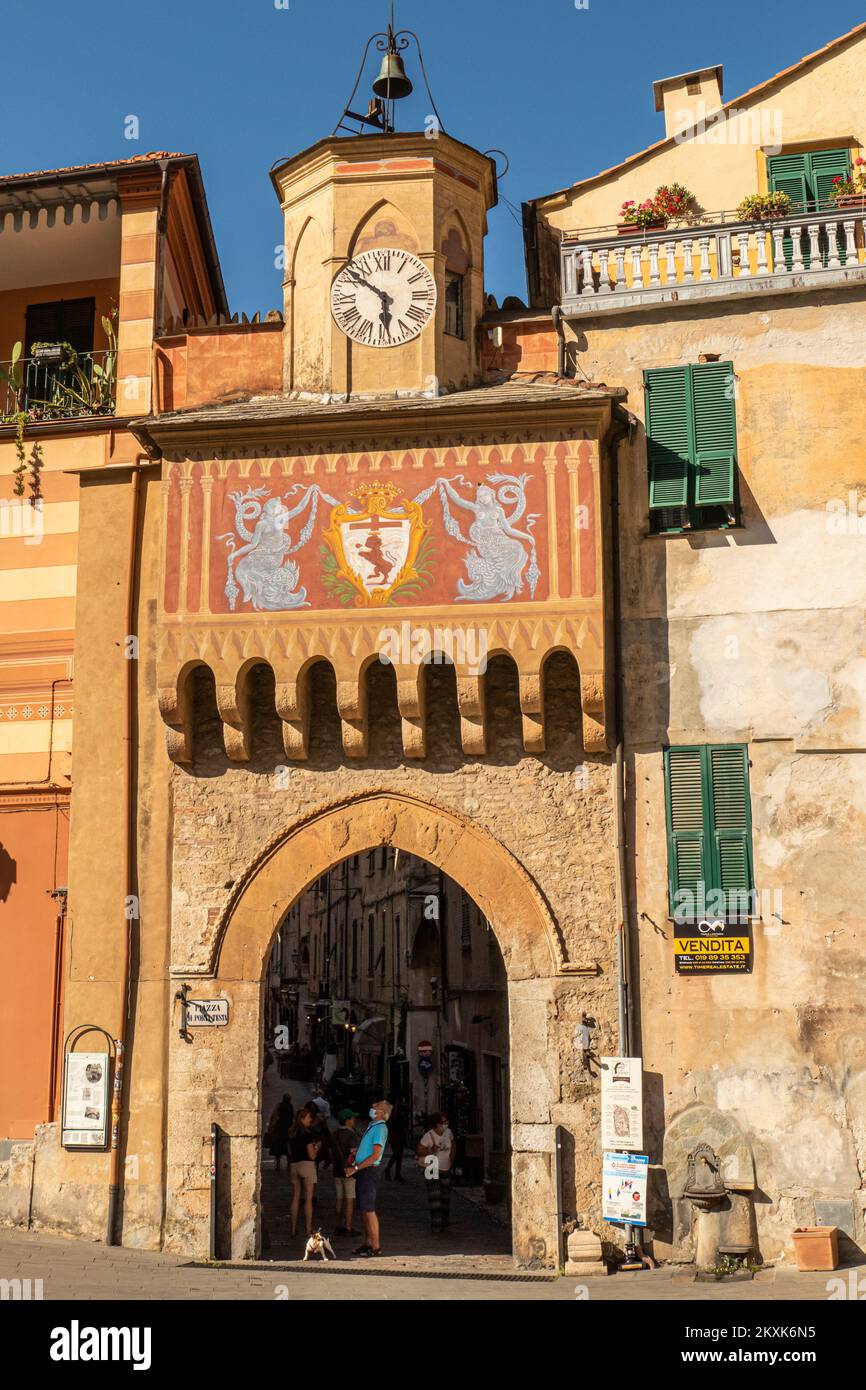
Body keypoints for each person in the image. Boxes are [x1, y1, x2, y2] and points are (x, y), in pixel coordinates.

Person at [345, 1097, 392, 1257]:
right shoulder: (373, 1126)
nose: (372, 1107)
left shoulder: (380, 1128)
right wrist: (357, 1152)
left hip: (369, 1171)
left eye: (377, 1106)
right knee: (364, 1209)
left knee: (369, 1209)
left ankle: (376, 1246)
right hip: (364, 1171)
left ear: (382, 1112)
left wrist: (355, 1168)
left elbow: (376, 1155)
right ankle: (368, 1242)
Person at [416, 1112, 456, 1233]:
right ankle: (436, 1225)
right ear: (436, 1124)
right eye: (442, 1122)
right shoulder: (428, 1136)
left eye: (446, 1122)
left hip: (445, 1167)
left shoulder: (448, 1132)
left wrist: (451, 1160)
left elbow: (453, 1144)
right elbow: (419, 1151)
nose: (444, 1124)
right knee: (435, 1198)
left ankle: (445, 1224)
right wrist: (429, 1150)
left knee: (445, 1198)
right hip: (432, 1167)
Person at [289, 1109, 321, 1239]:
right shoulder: (307, 1135)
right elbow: (312, 1155)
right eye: (308, 1117)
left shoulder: (291, 1134)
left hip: (294, 1165)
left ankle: (293, 1228)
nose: (310, 1120)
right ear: (302, 1119)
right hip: (307, 1165)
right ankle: (308, 1228)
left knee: (295, 1197)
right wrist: (317, 1147)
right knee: (308, 1199)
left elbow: (289, 1152)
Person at [331, 1108, 360, 1236]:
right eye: (352, 1118)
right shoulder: (351, 1135)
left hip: (337, 1170)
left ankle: (338, 1225)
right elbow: (353, 1153)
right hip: (349, 1170)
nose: (354, 1120)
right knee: (349, 1199)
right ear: (347, 1121)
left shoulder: (335, 1133)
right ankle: (348, 1226)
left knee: (339, 1198)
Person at [266, 1093, 294, 1173]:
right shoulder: (291, 1106)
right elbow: (294, 1116)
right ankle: (288, 1166)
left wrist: (270, 1126)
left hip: (279, 1128)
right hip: (288, 1128)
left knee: (278, 1148)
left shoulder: (279, 1106)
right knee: (288, 1148)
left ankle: (278, 1166)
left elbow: (274, 1116)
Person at [383, 1099, 407, 1182]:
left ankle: (396, 1174)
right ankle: (389, 1170)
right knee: (397, 1154)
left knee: (398, 1155)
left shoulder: (397, 1112)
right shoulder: (392, 1112)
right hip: (395, 1134)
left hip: (398, 1134)